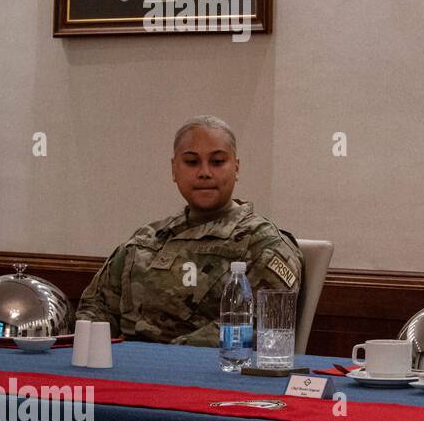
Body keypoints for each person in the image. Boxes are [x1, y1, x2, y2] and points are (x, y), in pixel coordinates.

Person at [77, 116, 303, 346]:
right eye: (192, 162)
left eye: (217, 162)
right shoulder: (146, 239)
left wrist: (168, 357)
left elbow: (264, 326)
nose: (204, 172)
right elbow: (95, 307)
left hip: (206, 372)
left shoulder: (262, 243)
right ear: (174, 169)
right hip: (121, 369)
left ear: (236, 167)